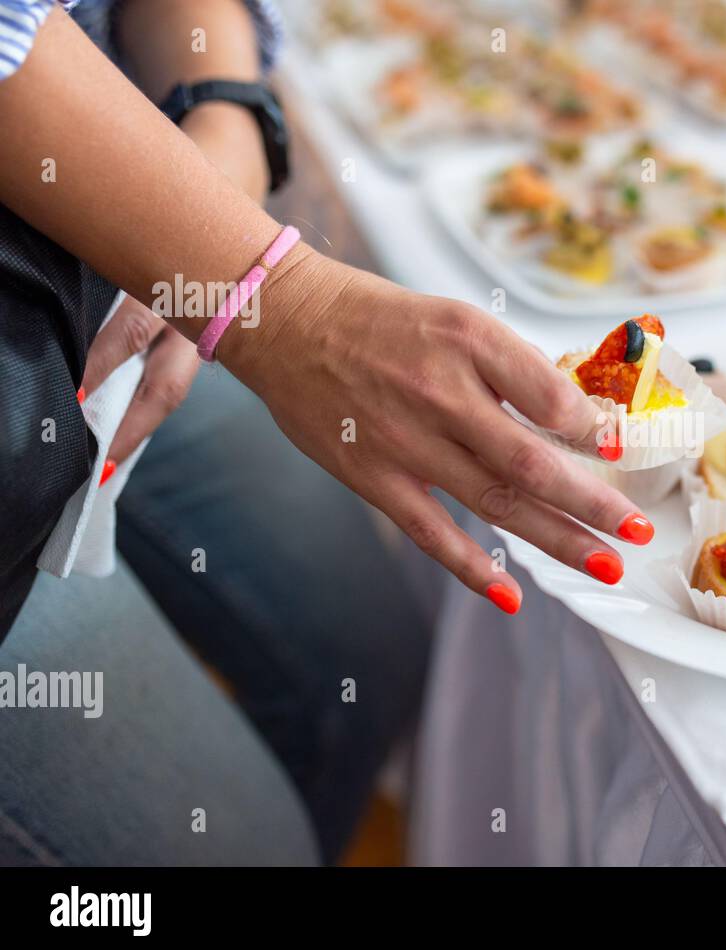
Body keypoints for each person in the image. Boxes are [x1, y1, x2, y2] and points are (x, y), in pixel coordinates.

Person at [0, 1, 652, 864]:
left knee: (368, 664)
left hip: (133, 251)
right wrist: (283, 303)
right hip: (28, 367)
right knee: (248, 848)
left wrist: (222, 113)